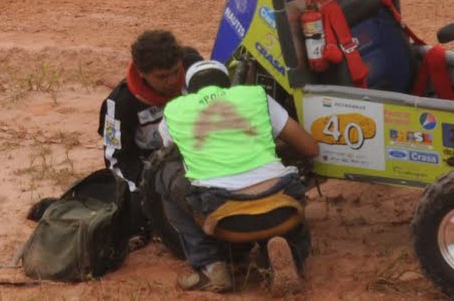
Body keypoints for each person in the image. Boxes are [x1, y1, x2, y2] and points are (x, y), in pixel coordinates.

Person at [158, 60, 319, 294]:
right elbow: (310, 148)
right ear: (229, 85)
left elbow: (173, 158)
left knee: (164, 171)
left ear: (189, 90)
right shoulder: (256, 97)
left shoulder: (174, 111)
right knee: (276, 174)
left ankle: (210, 265)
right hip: (283, 205)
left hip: (223, 213)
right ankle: (290, 256)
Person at [101, 30, 203, 194]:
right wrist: (145, 192)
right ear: (142, 73)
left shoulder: (193, 69)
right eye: (162, 77)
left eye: (175, 72)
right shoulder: (119, 103)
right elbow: (116, 161)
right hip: (152, 173)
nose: (171, 81)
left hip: (200, 159)